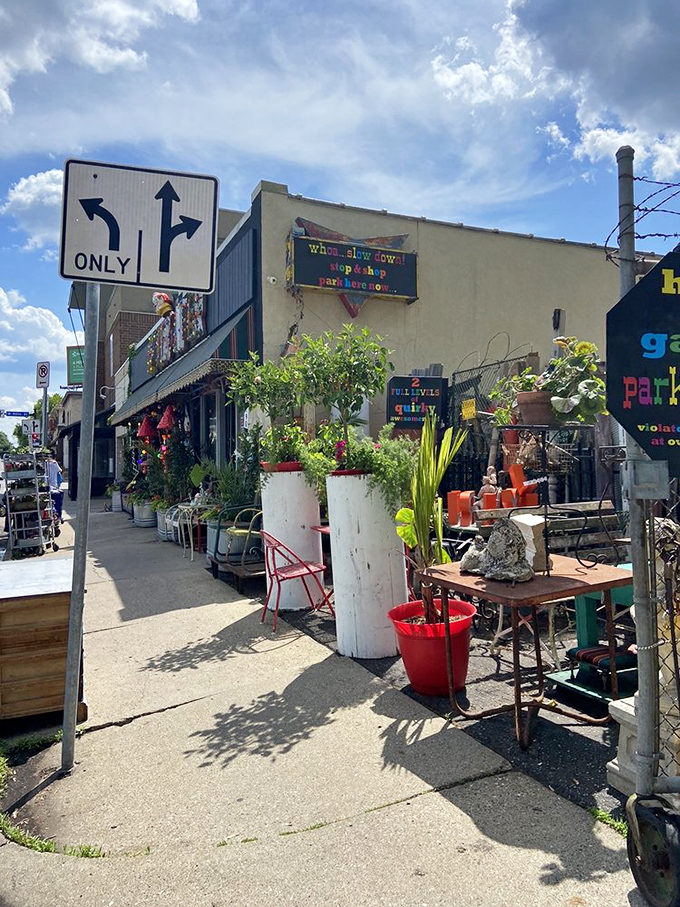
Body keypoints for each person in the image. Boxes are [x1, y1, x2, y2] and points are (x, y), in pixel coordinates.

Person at [46, 452, 64, 523]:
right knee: (57, 502)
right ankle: (58, 516)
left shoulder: (41, 464)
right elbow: (60, 471)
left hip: (48, 487)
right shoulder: (54, 463)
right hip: (53, 487)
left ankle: (56, 516)